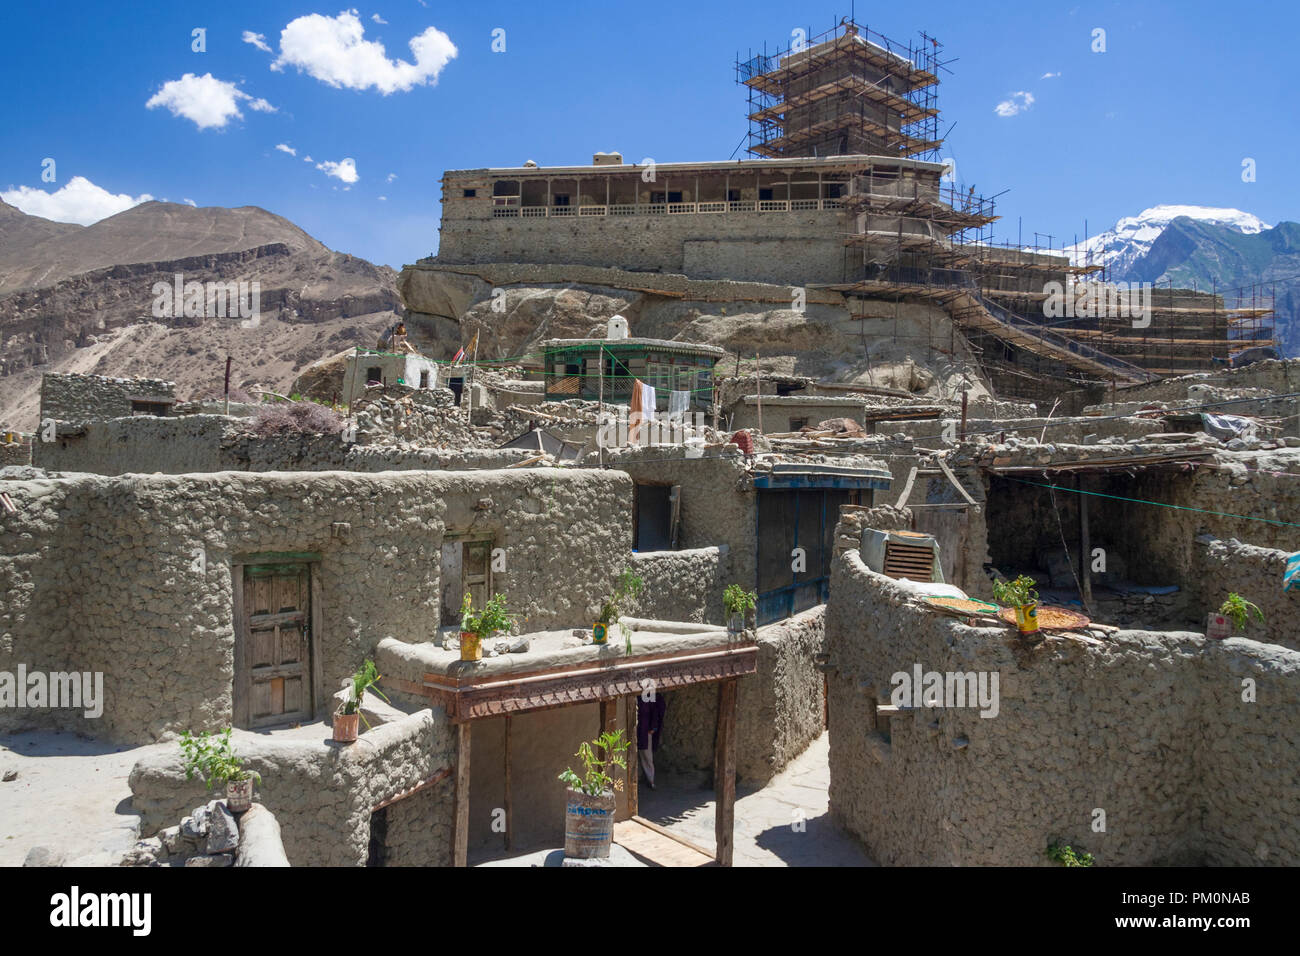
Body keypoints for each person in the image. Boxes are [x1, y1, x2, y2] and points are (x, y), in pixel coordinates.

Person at [636, 692, 667, 789]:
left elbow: (655, 712)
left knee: (647, 756)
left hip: (645, 731)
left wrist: (653, 728)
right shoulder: (638, 697)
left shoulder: (651, 696)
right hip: (639, 730)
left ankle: (650, 780)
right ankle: (641, 777)